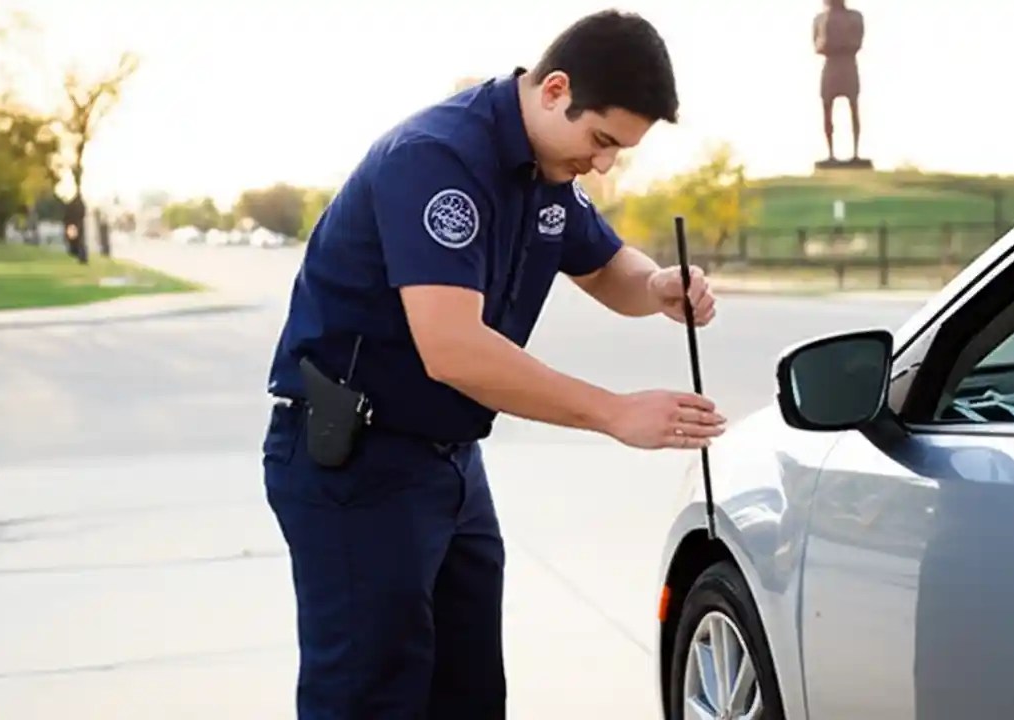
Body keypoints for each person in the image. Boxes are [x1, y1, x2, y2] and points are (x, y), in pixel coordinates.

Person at [260, 9, 725, 719]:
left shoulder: (547, 170)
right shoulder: (436, 158)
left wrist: (658, 286)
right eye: (600, 140)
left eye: (619, 152)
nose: (602, 164)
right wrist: (615, 412)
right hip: (355, 458)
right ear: (554, 89)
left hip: (448, 461)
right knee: (370, 697)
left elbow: (606, 268)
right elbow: (452, 349)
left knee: (468, 693)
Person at [813, 0, 865, 161]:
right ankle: (831, 154)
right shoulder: (820, 19)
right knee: (827, 108)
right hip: (831, 66)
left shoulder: (855, 17)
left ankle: (856, 153)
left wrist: (838, 44)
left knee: (853, 107)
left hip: (848, 66)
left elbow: (857, 42)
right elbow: (817, 45)